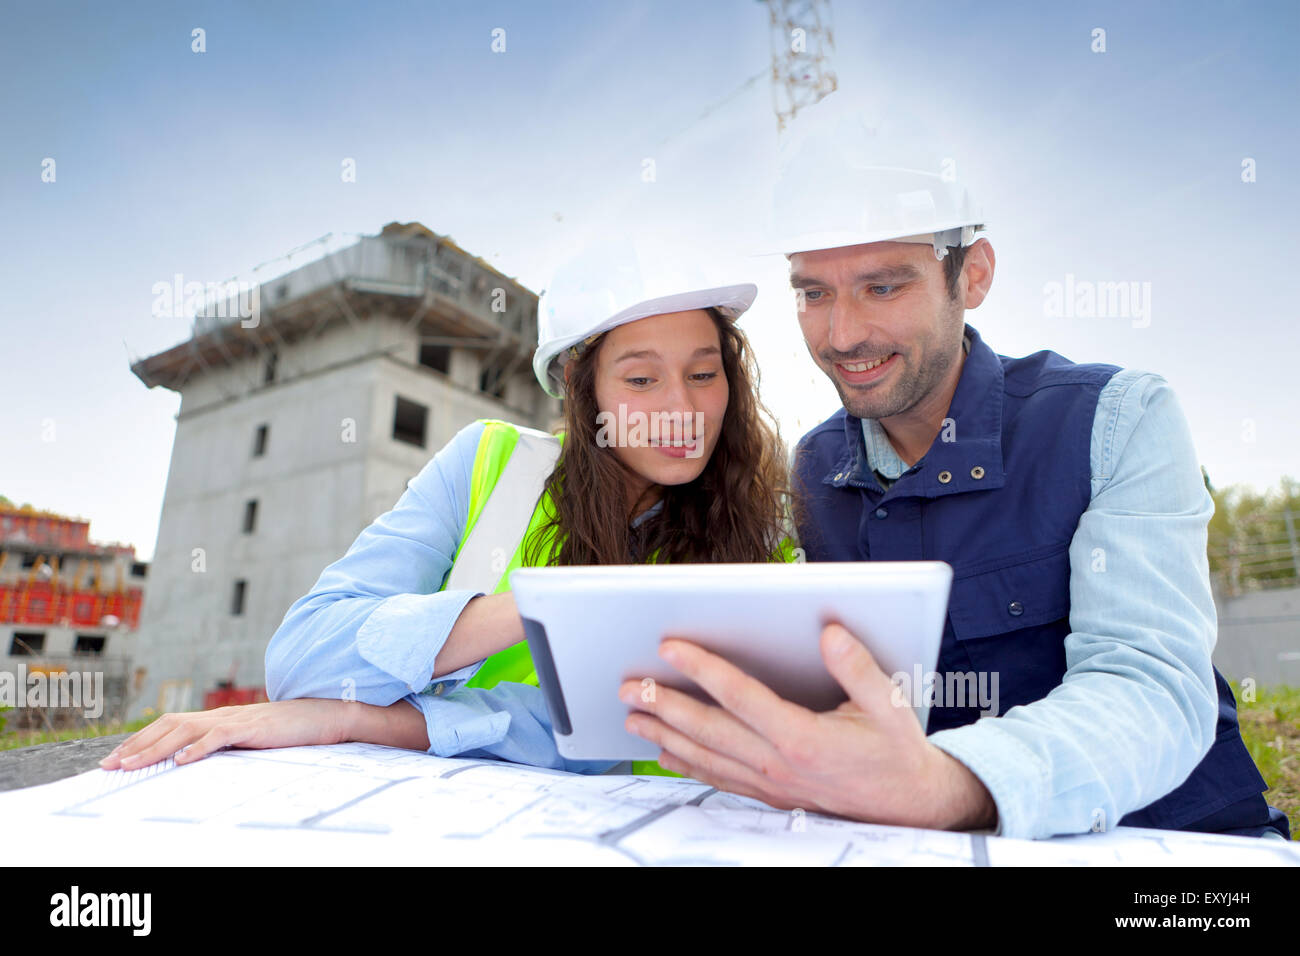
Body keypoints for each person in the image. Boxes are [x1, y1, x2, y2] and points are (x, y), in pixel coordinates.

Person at [616, 105, 1292, 841]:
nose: (842, 336)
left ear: (971, 275)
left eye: (882, 287)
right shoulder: (813, 469)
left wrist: (948, 785)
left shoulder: (1115, 421)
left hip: (1172, 854)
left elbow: (1151, 687)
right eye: (813, 293)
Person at [100, 253, 795, 776]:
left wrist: (370, 720)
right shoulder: (488, 467)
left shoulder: (765, 537)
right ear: (583, 393)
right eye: (641, 379)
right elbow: (302, 659)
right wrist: (543, 605)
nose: (680, 407)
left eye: (704, 374)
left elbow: (595, 734)